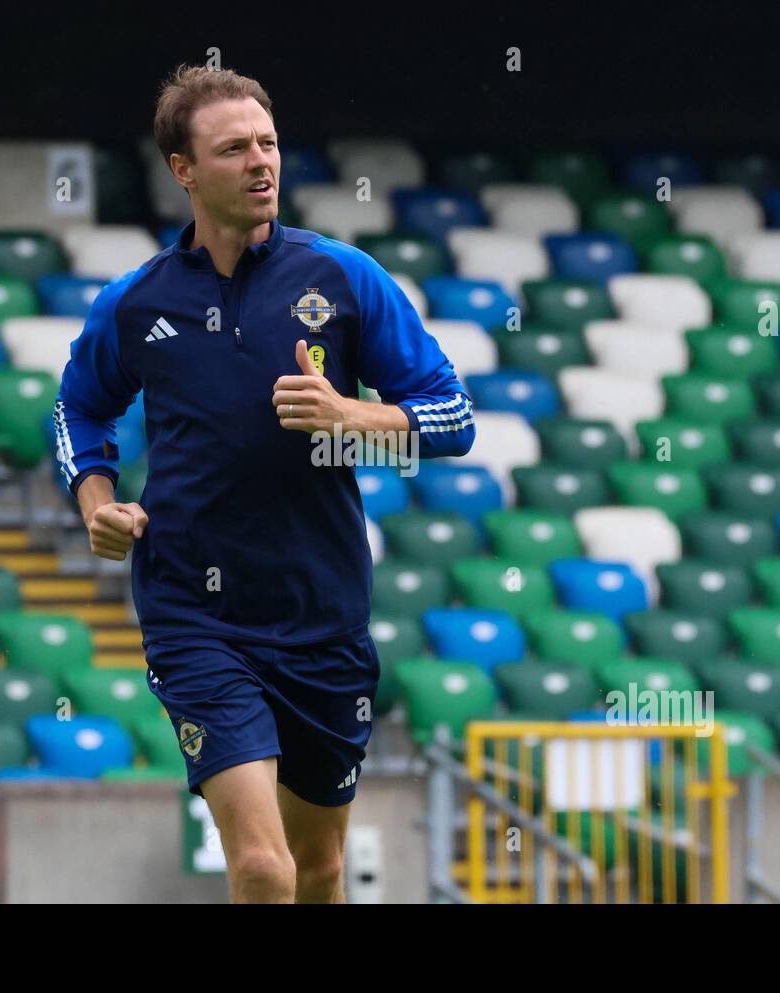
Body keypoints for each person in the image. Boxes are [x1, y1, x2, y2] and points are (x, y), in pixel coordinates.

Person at [53, 64, 475, 903]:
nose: (261, 162)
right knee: (262, 865)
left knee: (319, 870)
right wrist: (97, 503)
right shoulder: (136, 303)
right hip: (195, 615)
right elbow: (76, 411)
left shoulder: (346, 279)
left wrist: (357, 418)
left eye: (269, 143)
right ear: (183, 170)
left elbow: (454, 414)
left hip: (323, 615)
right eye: (235, 147)